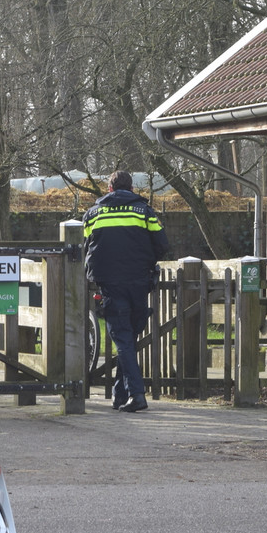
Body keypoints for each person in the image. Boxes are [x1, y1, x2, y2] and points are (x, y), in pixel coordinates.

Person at [82, 171, 169, 412]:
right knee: (127, 339)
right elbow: (162, 245)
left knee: (123, 338)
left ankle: (136, 395)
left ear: (109, 189)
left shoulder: (93, 214)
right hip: (140, 282)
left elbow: (86, 248)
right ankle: (120, 395)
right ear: (131, 188)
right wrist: (145, 262)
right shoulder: (144, 211)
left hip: (110, 284)